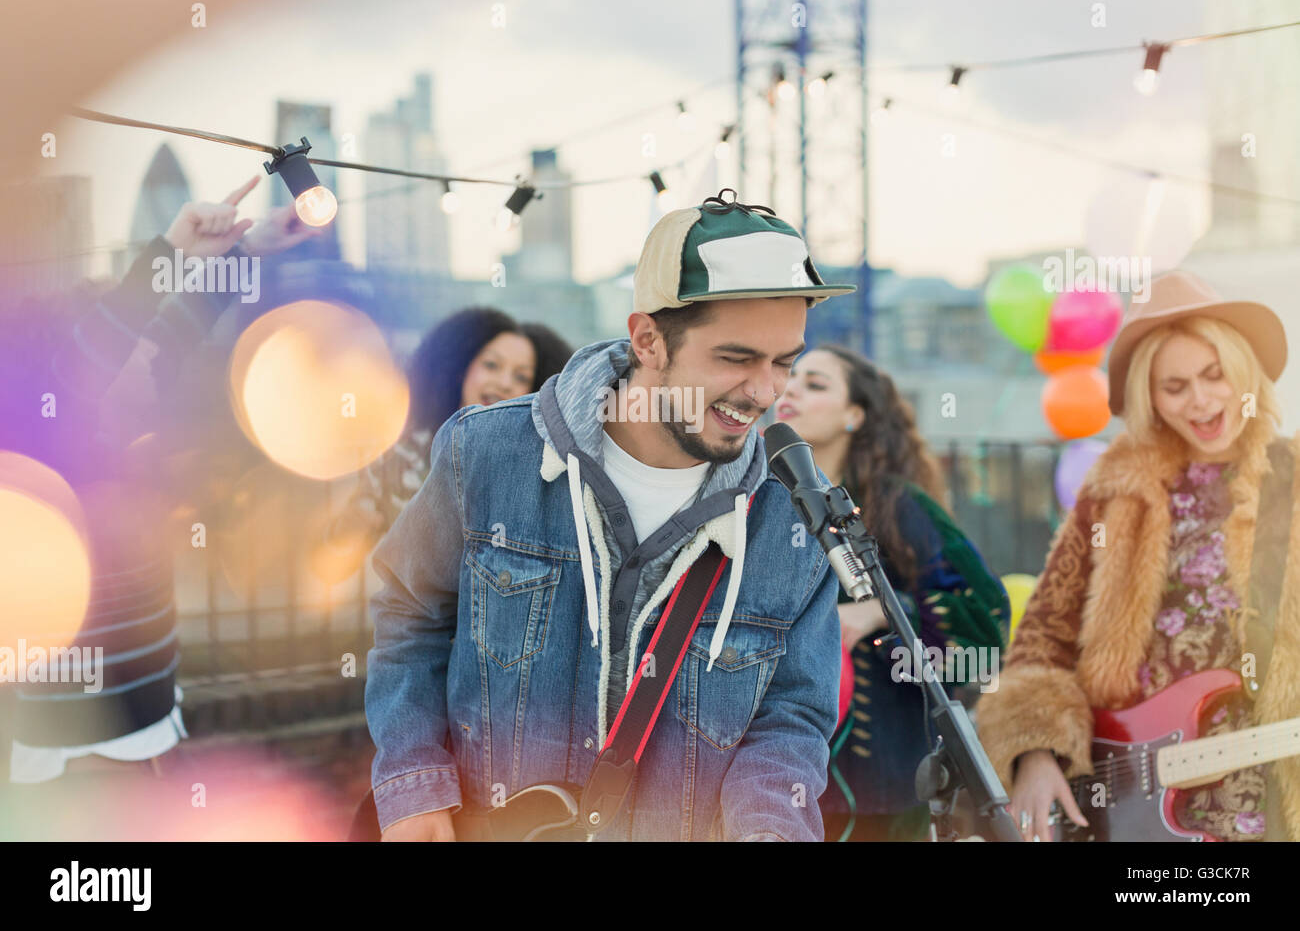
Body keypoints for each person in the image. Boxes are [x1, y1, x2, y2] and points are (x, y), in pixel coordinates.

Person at [364, 190, 855, 841]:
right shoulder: (485, 454)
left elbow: (791, 716)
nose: (765, 392)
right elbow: (410, 614)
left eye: (783, 364)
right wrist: (414, 788)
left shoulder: (797, 515)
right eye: (735, 358)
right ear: (648, 338)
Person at [4, 177, 320, 790]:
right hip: (78, 763)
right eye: (131, 353)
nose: (151, 366)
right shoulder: (54, 457)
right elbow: (93, 354)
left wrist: (248, 251)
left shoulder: (133, 424)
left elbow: (179, 327)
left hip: (154, 733)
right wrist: (171, 250)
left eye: (154, 355)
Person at [976, 270, 1300, 842]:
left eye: (1214, 374)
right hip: (1134, 806)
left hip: (1271, 799)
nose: (1200, 400)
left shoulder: (1292, 481)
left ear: (1243, 370)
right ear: (1149, 398)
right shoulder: (1113, 493)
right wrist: (1033, 750)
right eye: (1174, 386)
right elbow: (1043, 637)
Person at [772, 345, 1008, 841]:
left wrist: (882, 613)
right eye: (789, 377)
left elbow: (984, 614)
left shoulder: (899, 505)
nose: (791, 389)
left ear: (855, 415)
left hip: (880, 778)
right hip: (771, 770)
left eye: (815, 384)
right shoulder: (752, 500)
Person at [322, 309, 572, 559]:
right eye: (491, 365)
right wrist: (347, 532)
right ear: (460, 368)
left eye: (521, 376)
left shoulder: (544, 467)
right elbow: (334, 560)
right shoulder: (404, 456)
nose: (505, 382)